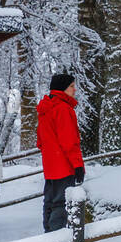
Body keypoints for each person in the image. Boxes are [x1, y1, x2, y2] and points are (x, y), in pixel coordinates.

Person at [36, 73, 85, 233]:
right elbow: (70, 141)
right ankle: (56, 238)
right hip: (64, 165)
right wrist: (78, 165)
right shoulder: (63, 108)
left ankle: (48, 234)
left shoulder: (45, 109)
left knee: (49, 201)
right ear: (62, 89)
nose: (74, 89)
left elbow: (40, 142)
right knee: (62, 202)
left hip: (50, 165)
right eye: (71, 86)